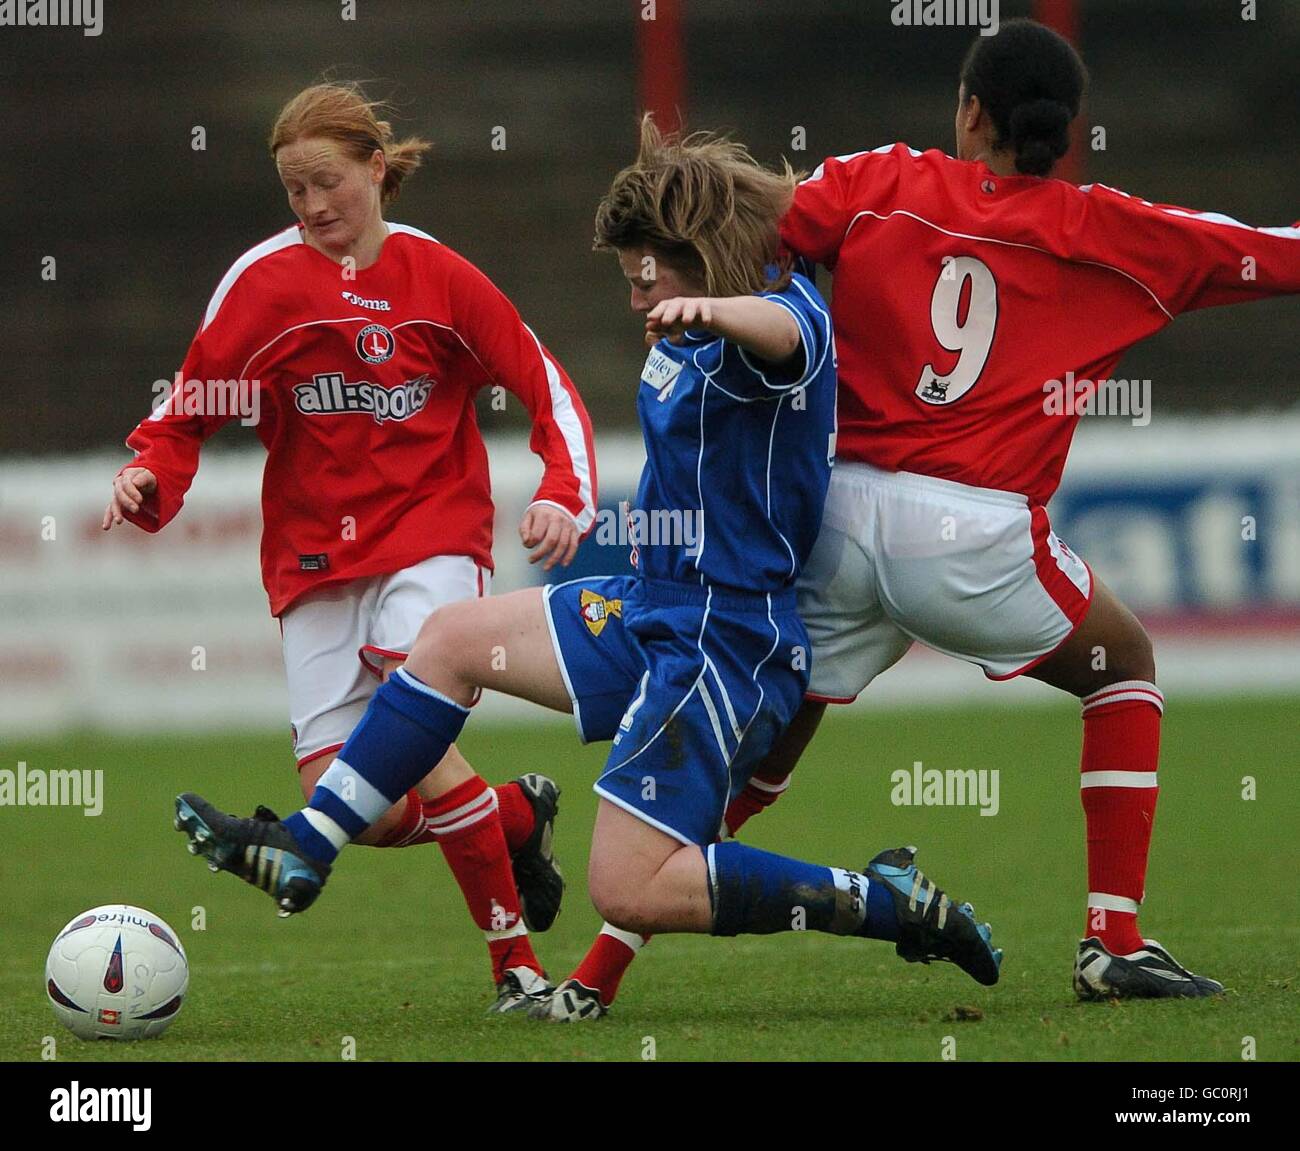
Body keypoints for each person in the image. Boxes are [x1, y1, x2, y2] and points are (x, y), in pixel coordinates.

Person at [174, 115, 1003, 1018]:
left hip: (721, 645)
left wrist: (713, 309)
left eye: (644, 276)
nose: (638, 298)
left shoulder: (779, 315)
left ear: (695, 258)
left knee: (630, 887)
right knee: (448, 642)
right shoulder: (689, 314)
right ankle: (308, 845)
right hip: (648, 602)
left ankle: (886, 902)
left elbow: (786, 335)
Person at [709, 17, 1300, 1002]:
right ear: (1065, 129)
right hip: (974, 534)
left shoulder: (872, 180)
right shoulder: (1114, 231)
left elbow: (753, 237)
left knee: (776, 734)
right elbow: (1272, 253)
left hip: (839, 518)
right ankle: (1111, 941)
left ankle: (609, 938)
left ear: (970, 109)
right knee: (1124, 668)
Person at [107, 82, 597, 1011]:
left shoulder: (439, 276)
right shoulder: (262, 283)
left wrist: (565, 491)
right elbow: (192, 403)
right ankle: (516, 813)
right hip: (314, 560)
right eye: (294, 192)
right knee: (363, 796)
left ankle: (515, 969)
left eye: (327, 182)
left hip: (430, 532)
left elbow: (543, 382)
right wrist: (148, 477)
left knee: (409, 696)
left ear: (378, 167)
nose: (313, 207)